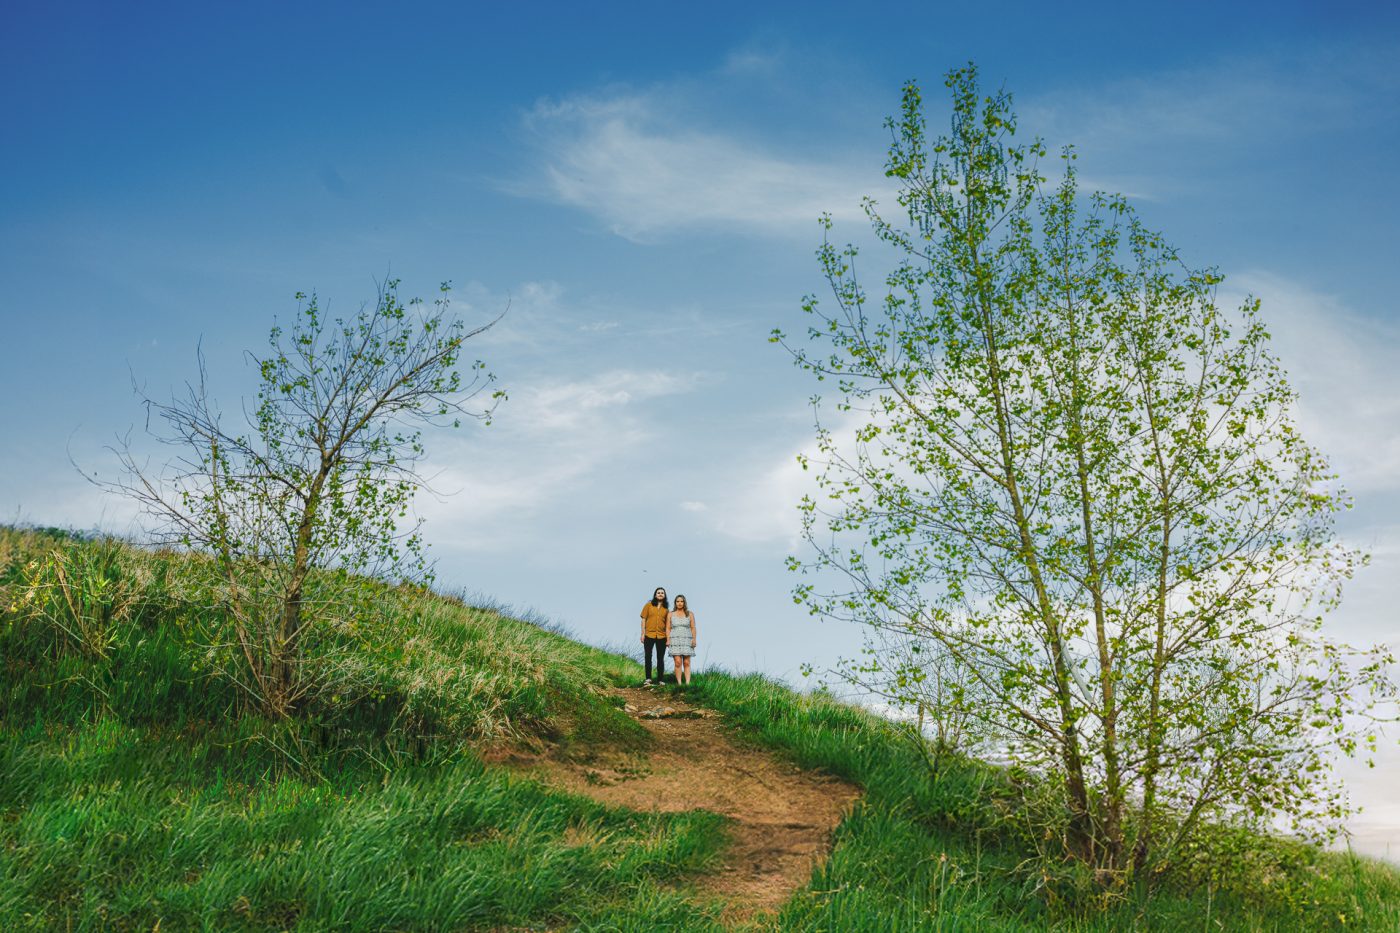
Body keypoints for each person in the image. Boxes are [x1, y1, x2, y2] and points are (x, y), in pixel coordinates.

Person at [639, 587, 669, 685]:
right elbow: (643, 619)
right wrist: (642, 633)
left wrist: (668, 639)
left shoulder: (666, 610)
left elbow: (668, 625)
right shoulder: (648, 605)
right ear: (655, 595)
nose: (660, 594)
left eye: (662, 593)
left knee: (660, 658)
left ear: (664, 595)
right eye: (658, 592)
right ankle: (648, 678)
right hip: (649, 634)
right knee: (648, 656)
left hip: (662, 636)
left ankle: (660, 680)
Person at [667, 594, 698, 686]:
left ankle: (687, 683)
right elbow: (668, 628)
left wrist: (694, 639)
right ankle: (679, 684)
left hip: (687, 639)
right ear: (675, 603)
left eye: (681, 601)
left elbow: (693, 627)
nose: (680, 603)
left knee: (686, 662)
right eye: (678, 601)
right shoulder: (670, 614)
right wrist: (668, 640)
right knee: (678, 662)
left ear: (684, 603)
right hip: (674, 639)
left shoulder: (690, 614)